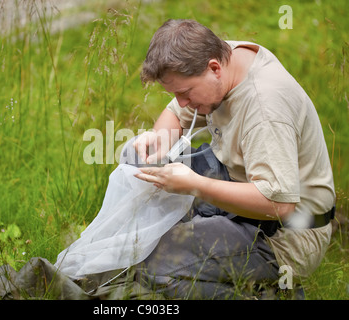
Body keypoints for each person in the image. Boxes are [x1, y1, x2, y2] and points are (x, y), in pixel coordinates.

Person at [131, 19, 336, 299]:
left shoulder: (264, 109)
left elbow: (279, 205)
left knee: (154, 266)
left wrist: (195, 185)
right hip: (240, 182)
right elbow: (176, 115)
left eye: (185, 93)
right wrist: (158, 142)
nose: (181, 102)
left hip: (285, 237)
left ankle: (267, 293)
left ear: (214, 68)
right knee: (143, 183)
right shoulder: (226, 59)